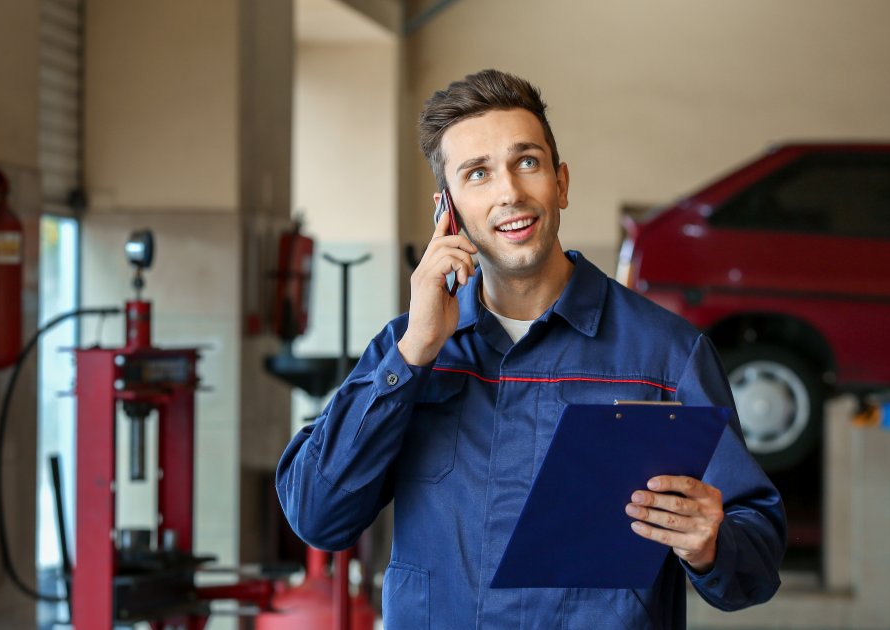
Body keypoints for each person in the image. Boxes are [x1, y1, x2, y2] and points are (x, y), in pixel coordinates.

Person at [276, 69, 786, 629]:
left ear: (561, 183)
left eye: (527, 162)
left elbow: (755, 562)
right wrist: (413, 355)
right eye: (478, 173)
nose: (509, 193)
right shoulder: (409, 351)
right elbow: (317, 516)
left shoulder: (666, 356)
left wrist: (712, 543)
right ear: (447, 210)